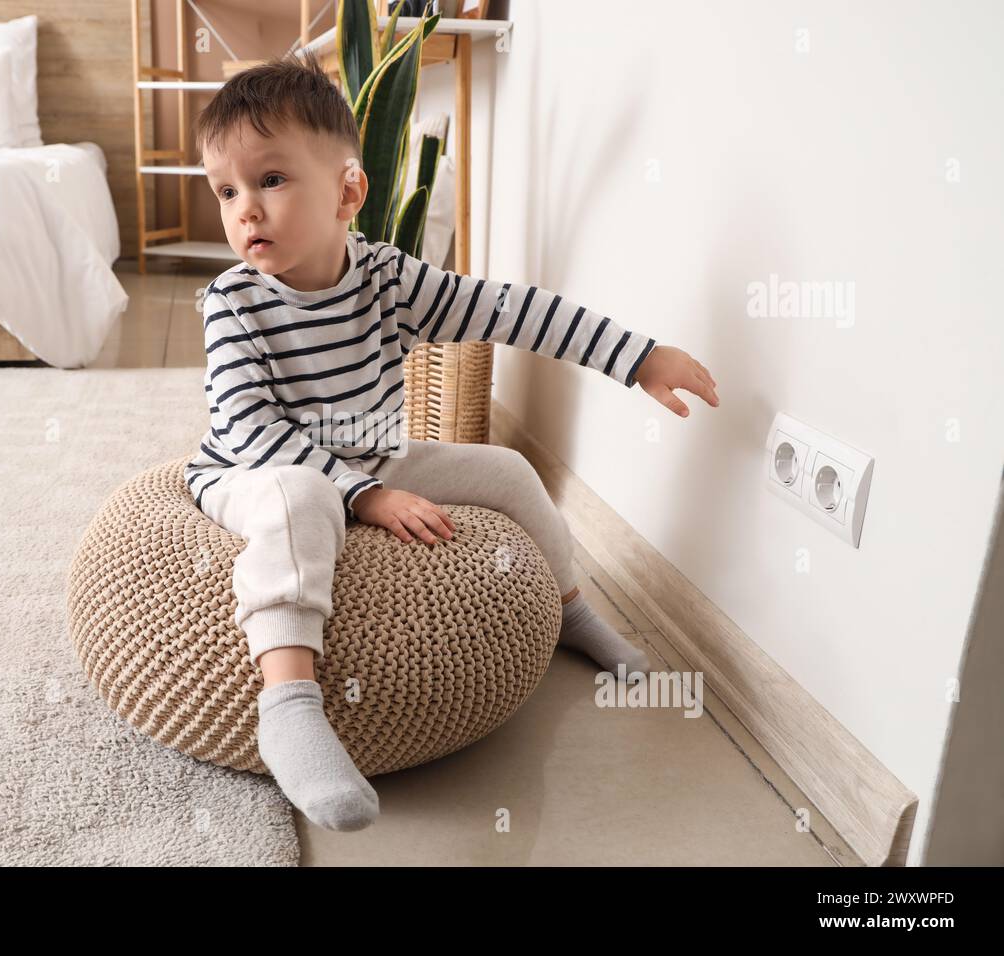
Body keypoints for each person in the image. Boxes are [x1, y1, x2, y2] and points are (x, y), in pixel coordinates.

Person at [184, 50, 721, 832]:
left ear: (348, 191)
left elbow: (505, 307)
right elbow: (251, 429)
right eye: (225, 190)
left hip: (376, 448)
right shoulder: (230, 304)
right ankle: (288, 704)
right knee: (302, 498)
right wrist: (366, 496)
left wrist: (634, 356)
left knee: (507, 469)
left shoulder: (384, 277)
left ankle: (571, 612)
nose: (245, 211)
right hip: (253, 468)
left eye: (270, 179)